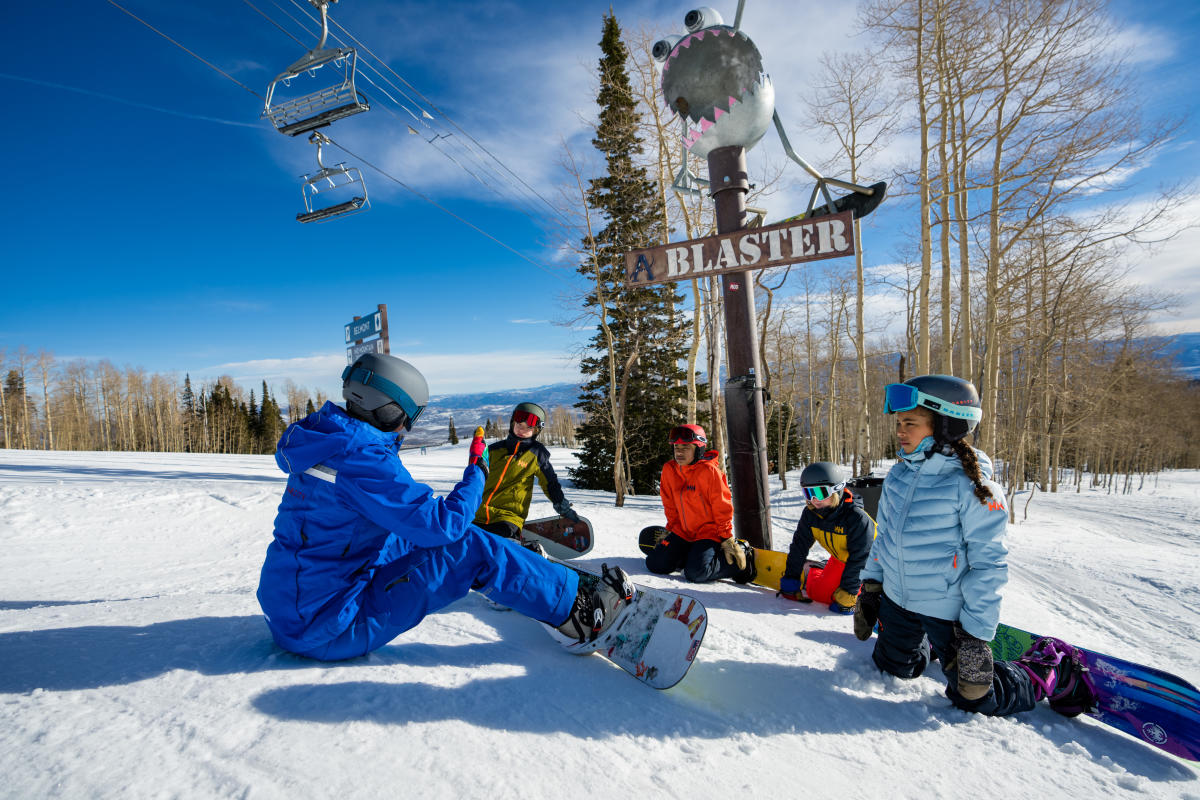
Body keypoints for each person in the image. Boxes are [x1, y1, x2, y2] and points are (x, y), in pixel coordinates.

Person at [256, 353, 631, 660]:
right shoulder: (362, 457)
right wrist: (477, 471)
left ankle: (526, 570)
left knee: (412, 538)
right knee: (467, 545)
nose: (407, 427)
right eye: (410, 416)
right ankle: (578, 613)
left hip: (295, 608)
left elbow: (402, 523)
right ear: (391, 410)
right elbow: (445, 526)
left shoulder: (325, 438)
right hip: (330, 625)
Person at [852, 375, 1095, 718]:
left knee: (975, 697)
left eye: (910, 423)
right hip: (898, 599)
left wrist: (974, 636)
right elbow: (885, 538)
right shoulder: (899, 476)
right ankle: (930, 648)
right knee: (895, 668)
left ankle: (1052, 672)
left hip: (948, 611)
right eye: (899, 423)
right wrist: (873, 585)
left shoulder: (975, 489)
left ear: (945, 424)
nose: (900, 431)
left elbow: (989, 566)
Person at [643, 423, 756, 584]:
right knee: (654, 563)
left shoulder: (710, 472)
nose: (679, 452)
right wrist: (672, 529)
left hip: (708, 532)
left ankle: (741, 559)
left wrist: (726, 537)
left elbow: (722, 507)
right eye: (676, 447)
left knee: (696, 573)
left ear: (698, 448)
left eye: (686, 447)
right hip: (683, 531)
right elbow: (670, 506)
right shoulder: (669, 470)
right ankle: (691, 556)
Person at [473, 402, 580, 543]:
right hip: (477, 513)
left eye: (528, 427)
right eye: (519, 425)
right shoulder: (493, 450)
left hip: (507, 517)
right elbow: (474, 479)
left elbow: (550, 483)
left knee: (495, 546)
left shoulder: (537, 454)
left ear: (536, 430)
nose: (522, 430)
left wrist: (563, 508)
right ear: (512, 424)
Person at [778, 462, 875, 614]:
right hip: (842, 560)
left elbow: (861, 558)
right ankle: (817, 569)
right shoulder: (811, 514)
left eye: (820, 492)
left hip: (875, 565)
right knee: (818, 593)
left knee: (859, 598)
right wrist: (791, 579)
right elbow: (799, 546)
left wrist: (849, 595)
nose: (815, 499)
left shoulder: (857, 518)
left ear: (836, 490)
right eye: (809, 493)